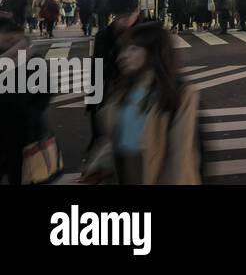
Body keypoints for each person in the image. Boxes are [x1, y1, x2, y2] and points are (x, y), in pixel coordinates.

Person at [79, 19, 201, 185]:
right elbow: (115, 139)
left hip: (157, 176)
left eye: (134, 49)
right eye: (123, 49)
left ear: (152, 53)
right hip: (125, 174)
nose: (123, 56)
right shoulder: (123, 90)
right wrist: (98, 166)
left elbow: (180, 157)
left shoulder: (179, 94)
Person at [0, 15, 53, 184]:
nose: (9, 38)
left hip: (24, 129)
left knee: (22, 174)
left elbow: (45, 91)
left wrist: (32, 113)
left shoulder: (31, 57)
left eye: (12, 33)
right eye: (4, 34)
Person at [88, 0, 142, 152]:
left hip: (145, 101)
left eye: (126, 17)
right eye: (118, 17)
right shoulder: (104, 37)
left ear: (137, 11)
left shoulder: (149, 34)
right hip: (115, 99)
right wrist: (93, 104)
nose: (122, 22)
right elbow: (96, 72)